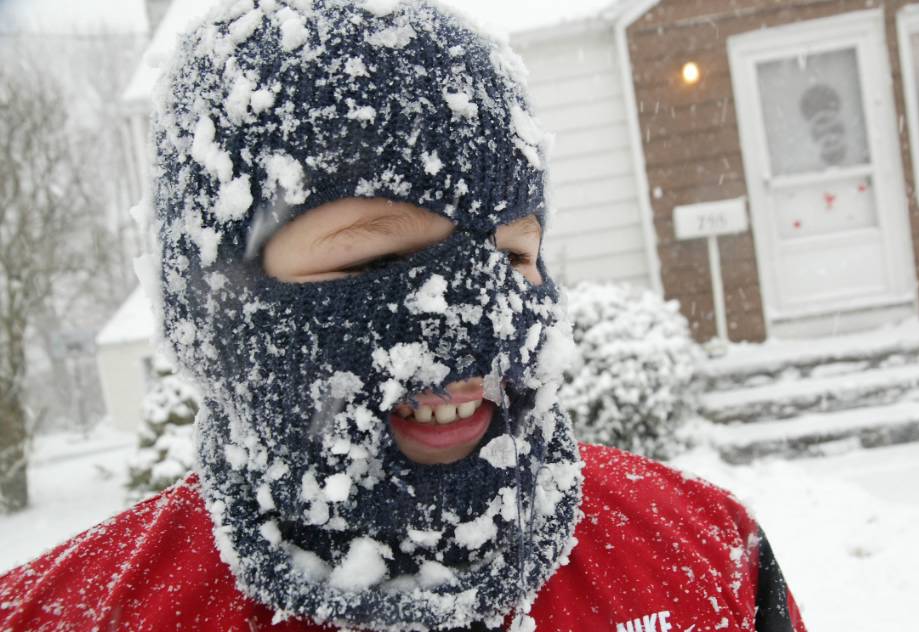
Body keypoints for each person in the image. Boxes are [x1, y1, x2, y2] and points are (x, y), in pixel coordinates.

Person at [0, 1, 806, 630]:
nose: (482, 322)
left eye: (515, 256)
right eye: (376, 261)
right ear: (213, 308)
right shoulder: (68, 616)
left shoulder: (704, 559)